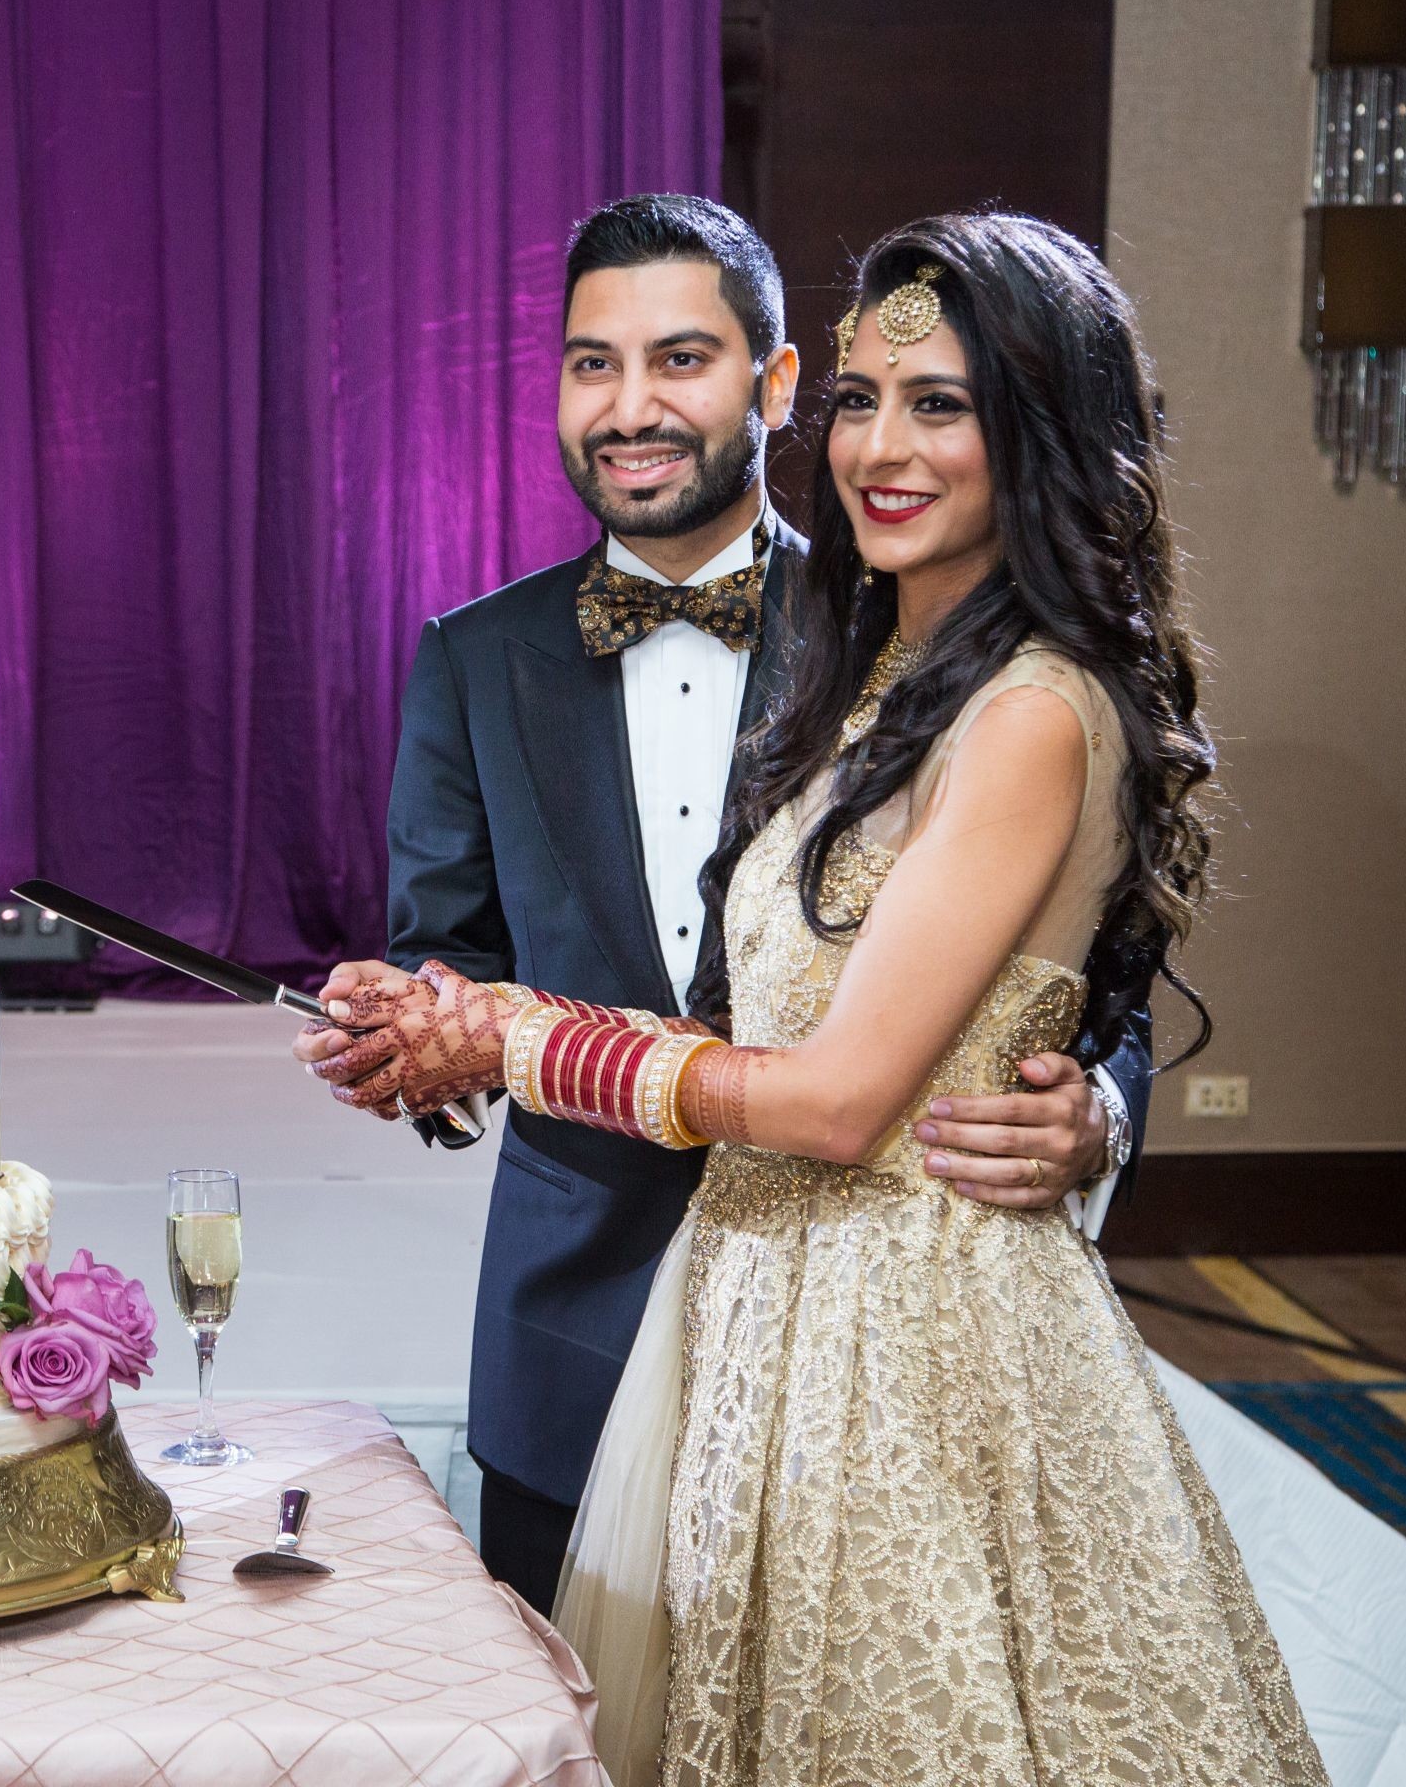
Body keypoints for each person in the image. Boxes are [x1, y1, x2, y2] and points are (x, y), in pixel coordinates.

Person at [310, 213, 1326, 1785]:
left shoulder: (901, 636)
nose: (633, 405)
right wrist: (431, 1040)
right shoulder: (483, 659)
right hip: (584, 1332)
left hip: (893, 1349)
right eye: (595, 363)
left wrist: (1097, 1108)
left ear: (769, 382)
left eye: (682, 360)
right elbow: (458, 965)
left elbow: (1079, 982)